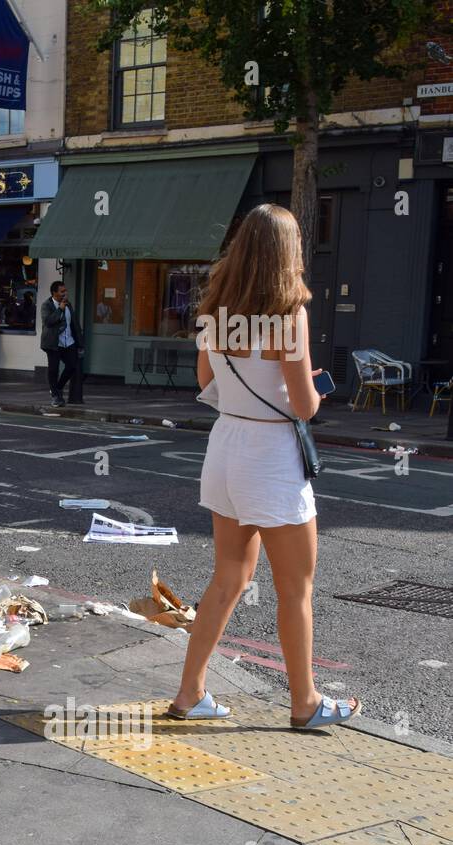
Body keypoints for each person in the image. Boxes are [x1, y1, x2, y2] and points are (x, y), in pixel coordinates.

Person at [170, 203, 359, 730]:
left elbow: (205, 384)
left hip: (226, 446)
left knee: (228, 576)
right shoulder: (289, 316)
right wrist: (314, 384)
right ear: (287, 252)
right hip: (272, 456)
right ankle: (305, 703)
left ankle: (191, 691)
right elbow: (304, 408)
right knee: (296, 588)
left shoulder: (217, 311)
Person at [40, 280, 84, 406]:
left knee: (72, 366)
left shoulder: (68, 305)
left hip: (68, 342)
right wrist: (60, 309)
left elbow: (74, 324)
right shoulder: (46, 305)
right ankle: (55, 396)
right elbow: (48, 322)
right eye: (62, 291)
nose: (65, 293)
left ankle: (57, 388)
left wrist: (80, 343)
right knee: (53, 370)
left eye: (66, 291)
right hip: (53, 343)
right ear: (54, 293)